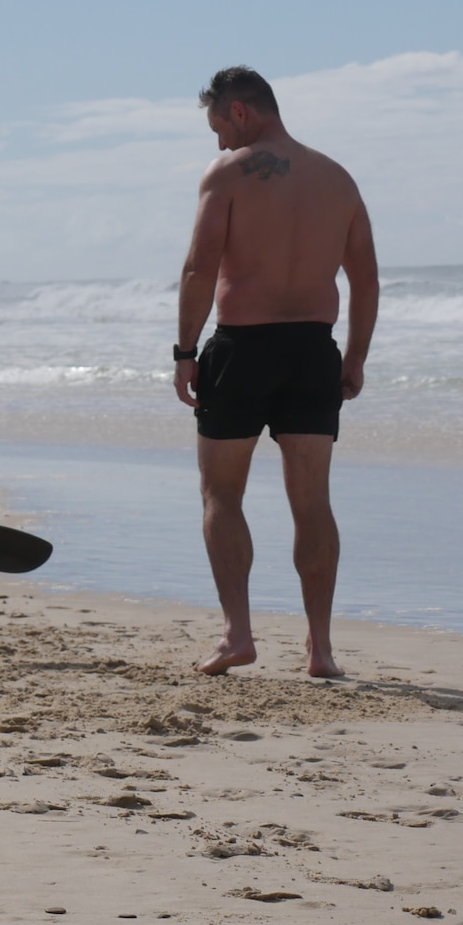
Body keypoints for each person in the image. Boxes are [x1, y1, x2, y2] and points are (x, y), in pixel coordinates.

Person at [175, 66, 378, 678]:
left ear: (240, 112)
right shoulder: (337, 178)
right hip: (313, 352)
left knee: (221, 494)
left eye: (219, 128)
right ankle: (320, 648)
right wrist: (355, 356)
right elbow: (365, 279)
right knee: (312, 502)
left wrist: (185, 353)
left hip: (243, 352)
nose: (219, 144)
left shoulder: (229, 174)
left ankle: (238, 634)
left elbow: (199, 268)